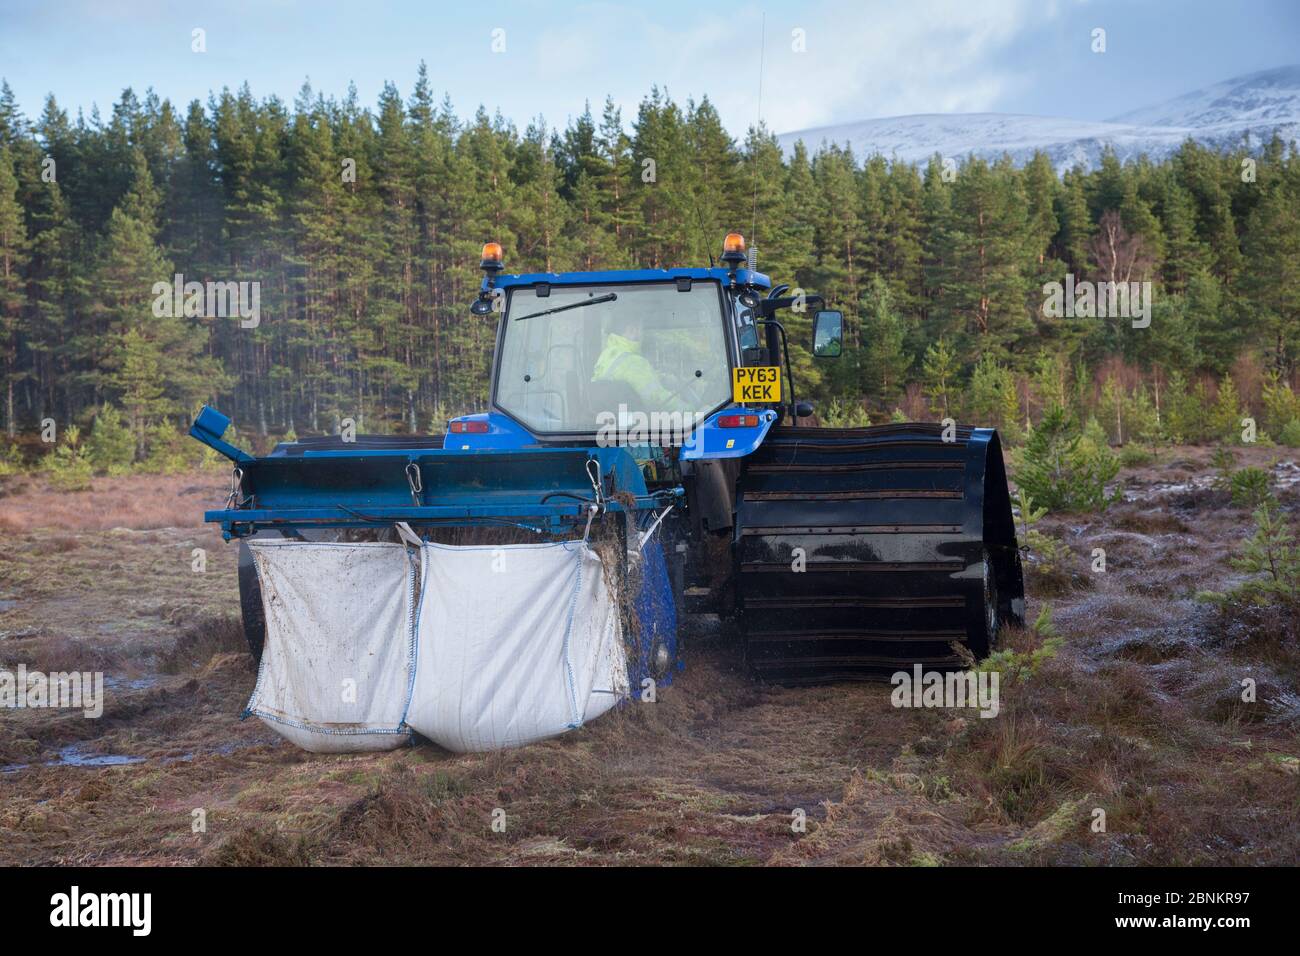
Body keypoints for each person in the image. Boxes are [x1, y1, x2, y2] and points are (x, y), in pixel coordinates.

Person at [591, 316, 675, 408]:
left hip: (609, 417)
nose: (642, 334)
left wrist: (660, 377)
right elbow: (657, 398)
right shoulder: (634, 362)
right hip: (637, 420)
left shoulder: (606, 355)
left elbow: (628, 378)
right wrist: (689, 409)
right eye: (641, 329)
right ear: (632, 330)